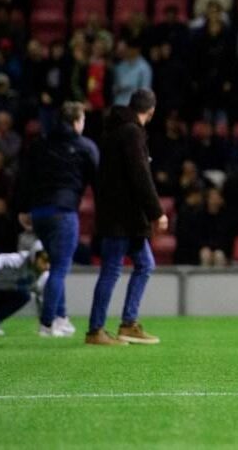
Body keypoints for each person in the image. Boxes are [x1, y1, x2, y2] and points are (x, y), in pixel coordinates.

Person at [86, 89, 167, 346]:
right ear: (151, 110)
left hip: (120, 216)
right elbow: (140, 176)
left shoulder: (113, 131)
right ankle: (96, 329)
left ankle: (128, 324)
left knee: (144, 264)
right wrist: (156, 212)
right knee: (113, 270)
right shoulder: (132, 133)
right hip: (124, 218)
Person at [15, 101, 98, 337]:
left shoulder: (39, 144)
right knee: (60, 269)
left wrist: (23, 208)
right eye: (82, 119)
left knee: (54, 266)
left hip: (40, 213)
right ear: (76, 121)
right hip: (64, 212)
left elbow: (24, 176)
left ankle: (61, 317)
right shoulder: (84, 146)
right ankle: (47, 322)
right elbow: (99, 180)